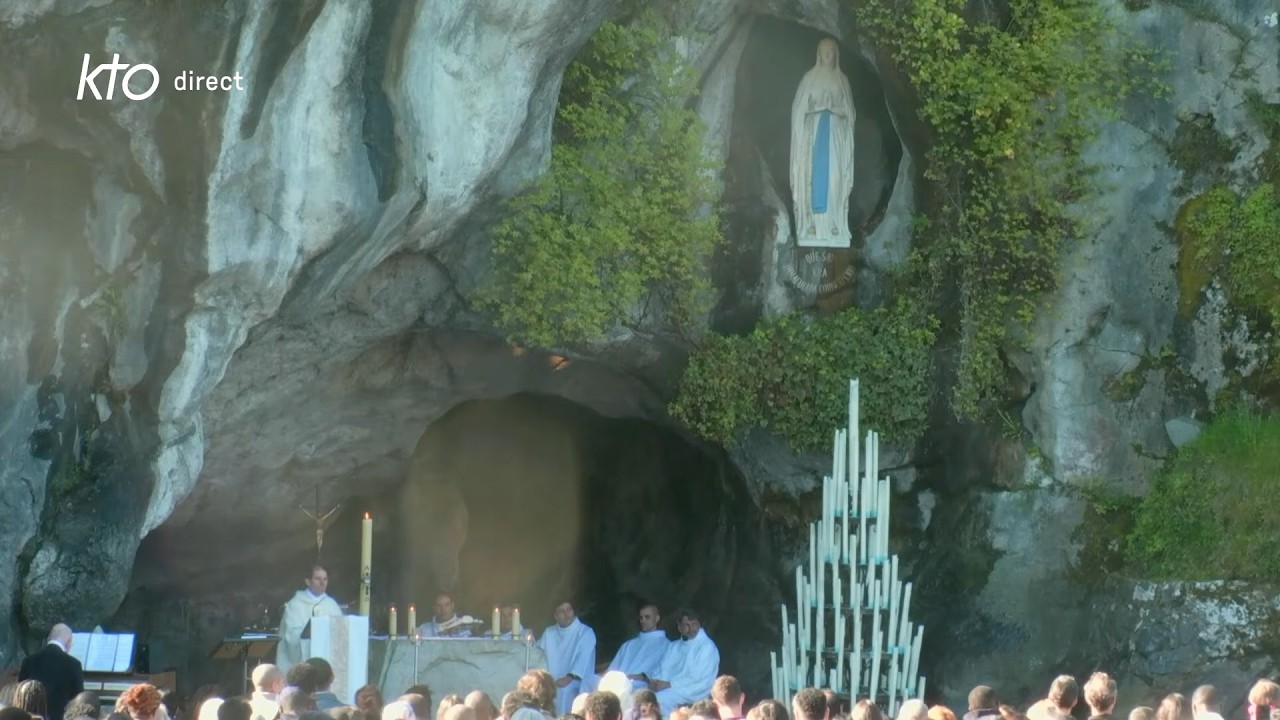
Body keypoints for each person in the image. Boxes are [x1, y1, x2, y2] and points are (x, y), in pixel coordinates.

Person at [788, 37, 857, 249]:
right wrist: (815, 110)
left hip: (834, 136)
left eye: (831, 51)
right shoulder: (809, 78)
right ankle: (811, 225)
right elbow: (798, 111)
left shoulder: (842, 80)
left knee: (835, 179)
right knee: (811, 179)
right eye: (824, 51)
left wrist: (832, 110)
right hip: (813, 137)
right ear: (818, 54)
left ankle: (835, 224)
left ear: (836, 55)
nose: (827, 54)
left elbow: (850, 113)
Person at [648, 610, 719, 715]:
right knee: (642, 695)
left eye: (694, 624)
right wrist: (656, 682)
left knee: (658, 700)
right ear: (679, 627)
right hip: (670, 688)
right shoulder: (674, 646)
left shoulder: (707, 647)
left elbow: (699, 679)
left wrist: (669, 684)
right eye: (686, 625)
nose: (691, 628)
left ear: (699, 624)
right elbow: (663, 668)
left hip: (692, 690)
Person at [586, 606, 671, 693]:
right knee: (589, 680)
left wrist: (641, 677)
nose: (643, 621)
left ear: (657, 618)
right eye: (641, 618)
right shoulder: (629, 645)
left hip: (639, 684)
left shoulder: (666, 645)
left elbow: (656, 675)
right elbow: (612, 669)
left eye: (647, 617)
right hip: (618, 679)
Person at [278, 567, 344, 674]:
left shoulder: (331, 604)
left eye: (325, 579)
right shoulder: (295, 604)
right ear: (308, 582)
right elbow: (291, 635)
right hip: (302, 661)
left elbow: (340, 630)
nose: (322, 582)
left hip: (327, 658)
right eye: (318, 579)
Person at [538, 603, 597, 715]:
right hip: (552, 679)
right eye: (562, 611)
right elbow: (538, 654)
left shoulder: (585, 632)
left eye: (569, 609)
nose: (567, 614)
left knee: (564, 690)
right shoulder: (549, 633)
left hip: (576, 680)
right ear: (555, 615)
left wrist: (570, 676)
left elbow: (582, 657)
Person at [19, 623, 85, 720]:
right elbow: (79, 700)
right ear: (68, 642)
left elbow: (20, 692)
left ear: (49, 639)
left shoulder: (29, 661)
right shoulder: (74, 664)